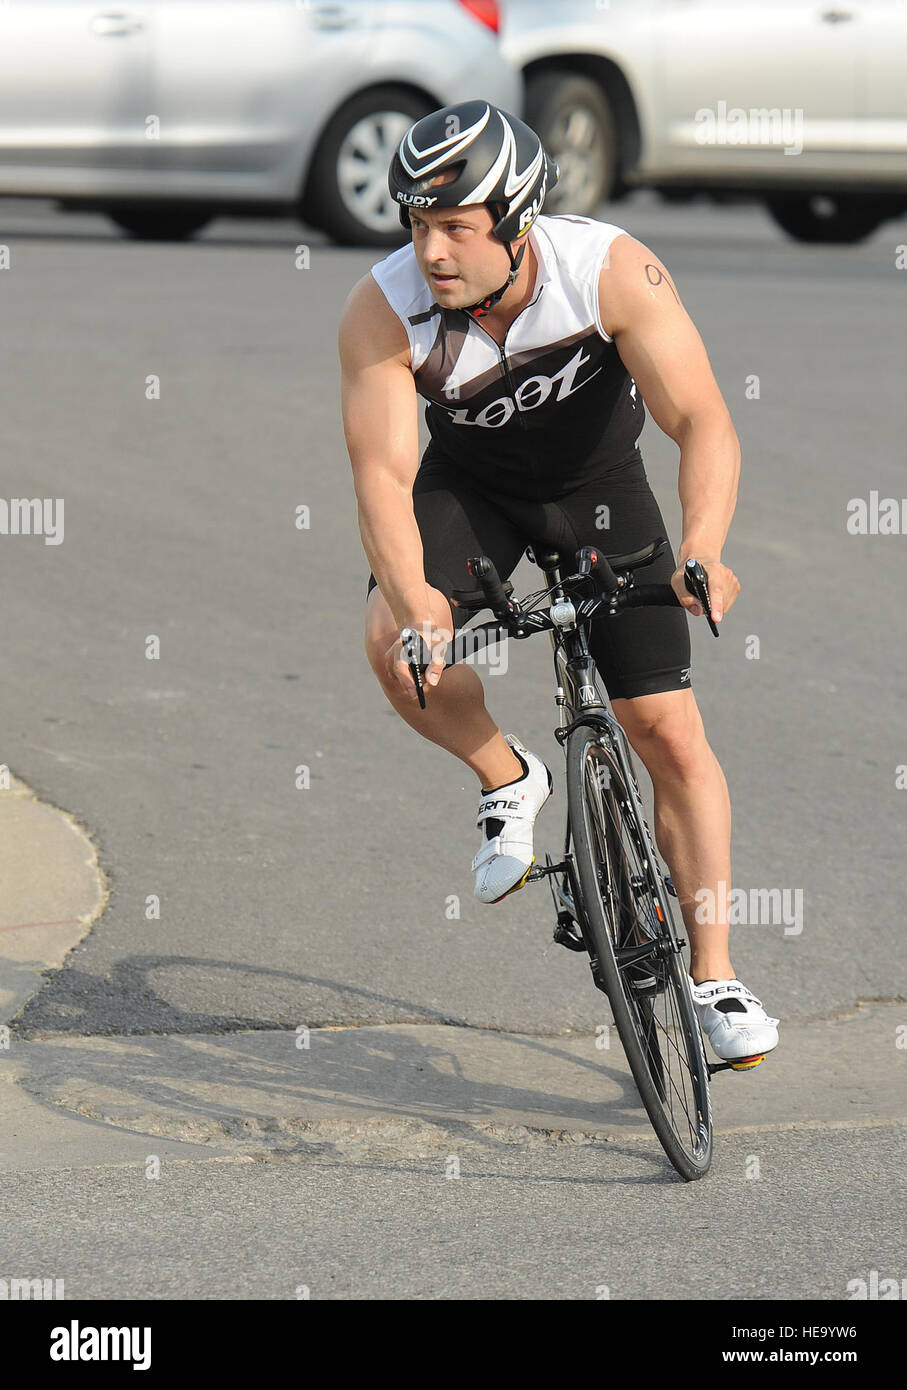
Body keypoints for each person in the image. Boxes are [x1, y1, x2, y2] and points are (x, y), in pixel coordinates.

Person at [338, 100, 778, 1064]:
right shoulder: (383, 307)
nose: (433, 251)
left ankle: (714, 978)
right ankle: (510, 776)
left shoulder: (605, 270)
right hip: (472, 492)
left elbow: (701, 418)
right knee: (389, 640)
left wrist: (701, 547)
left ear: (517, 218)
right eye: (416, 226)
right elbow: (379, 471)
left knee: (663, 727)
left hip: (598, 492)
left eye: (456, 227)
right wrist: (416, 600)